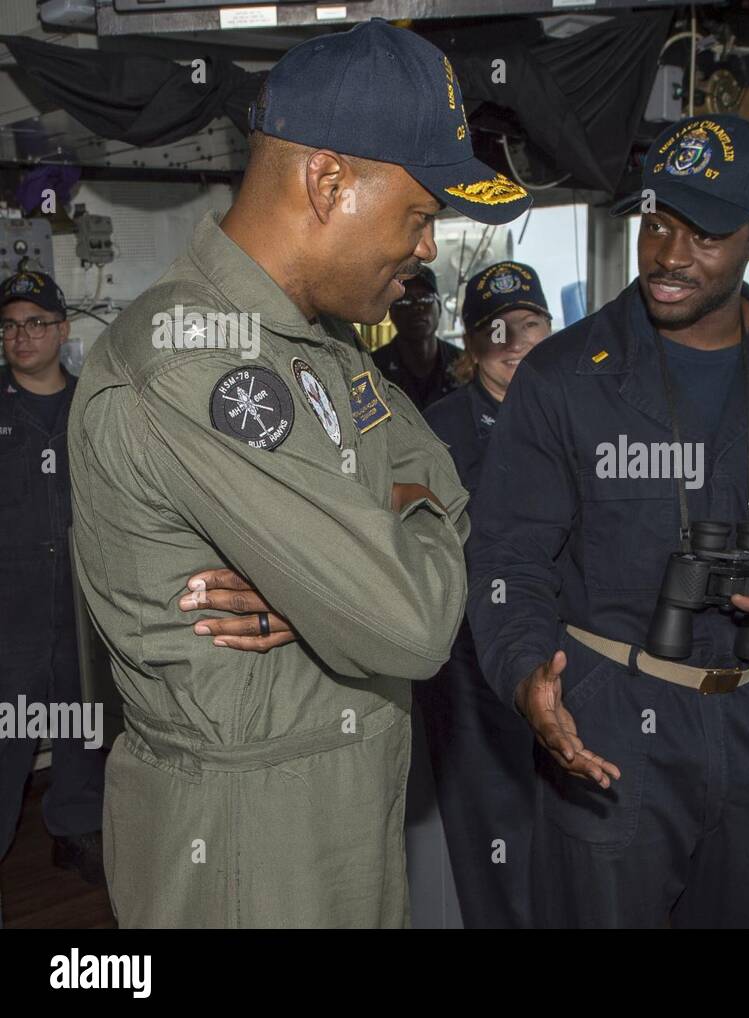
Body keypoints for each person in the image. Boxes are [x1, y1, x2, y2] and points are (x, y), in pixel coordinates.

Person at [67, 20, 530, 927]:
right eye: (422, 214)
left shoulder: (319, 339)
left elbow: (429, 461)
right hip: (249, 845)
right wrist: (363, 572)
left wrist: (332, 578)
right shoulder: (188, 361)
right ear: (328, 181)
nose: (429, 249)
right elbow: (409, 625)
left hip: (344, 805)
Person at [465, 113, 749, 928]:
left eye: (705, 234)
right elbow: (508, 556)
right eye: (658, 223)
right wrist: (527, 670)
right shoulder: (565, 377)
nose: (670, 256)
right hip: (605, 720)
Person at [419, 260, 552, 928]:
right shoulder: (435, 430)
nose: (516, 343)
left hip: (562, 651)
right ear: (472, 346)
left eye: (529, 324)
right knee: (490, 832)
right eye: (497, 330)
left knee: (565, 826)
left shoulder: (574, 415)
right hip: (470, 665)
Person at [0, 270, 106, 885]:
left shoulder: (93, 405)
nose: (22, 335)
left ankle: (76, 830)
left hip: (81, 593)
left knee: (80, 721)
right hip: (11, 605)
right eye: (10, 325)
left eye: (36, 322)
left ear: (63, 329)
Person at [372, 265, 463, 411]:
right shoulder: (374, 369)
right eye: (405, 300)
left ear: (439, 307)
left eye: (425, 298)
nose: (417, 307)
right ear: (392, 312)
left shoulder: (464, 363)